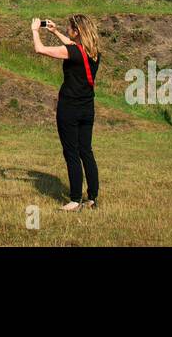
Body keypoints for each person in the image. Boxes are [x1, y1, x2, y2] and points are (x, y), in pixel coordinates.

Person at [32, 15, 101, 212]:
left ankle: (75, 199)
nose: (67, 29)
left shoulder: (72, 52)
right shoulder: (94, 52)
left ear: (77, 31)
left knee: (71, 152)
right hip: (87, 108)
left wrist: (35, 30)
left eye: (70, 27)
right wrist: (55, 32)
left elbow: (40, 49)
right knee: (85, 151)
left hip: (69, 108)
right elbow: (73, 45)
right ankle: (92, 197)